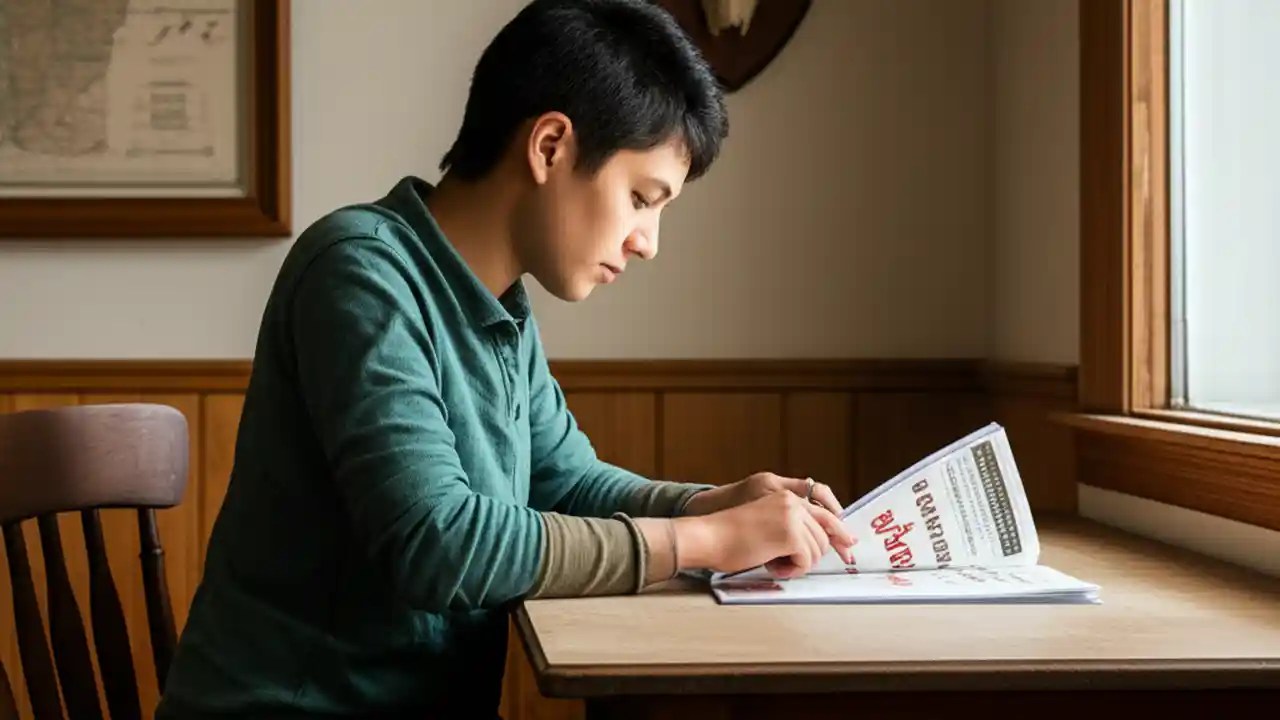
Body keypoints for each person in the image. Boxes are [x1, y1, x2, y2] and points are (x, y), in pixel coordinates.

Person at [155, 0, 856, 717]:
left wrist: (710, 503)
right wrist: (703, 539)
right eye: (643, 198)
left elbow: (569, 483)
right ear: (550, 146)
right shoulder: (360, 271)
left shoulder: (499, 309)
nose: (649, 240)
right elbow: (440, 544)